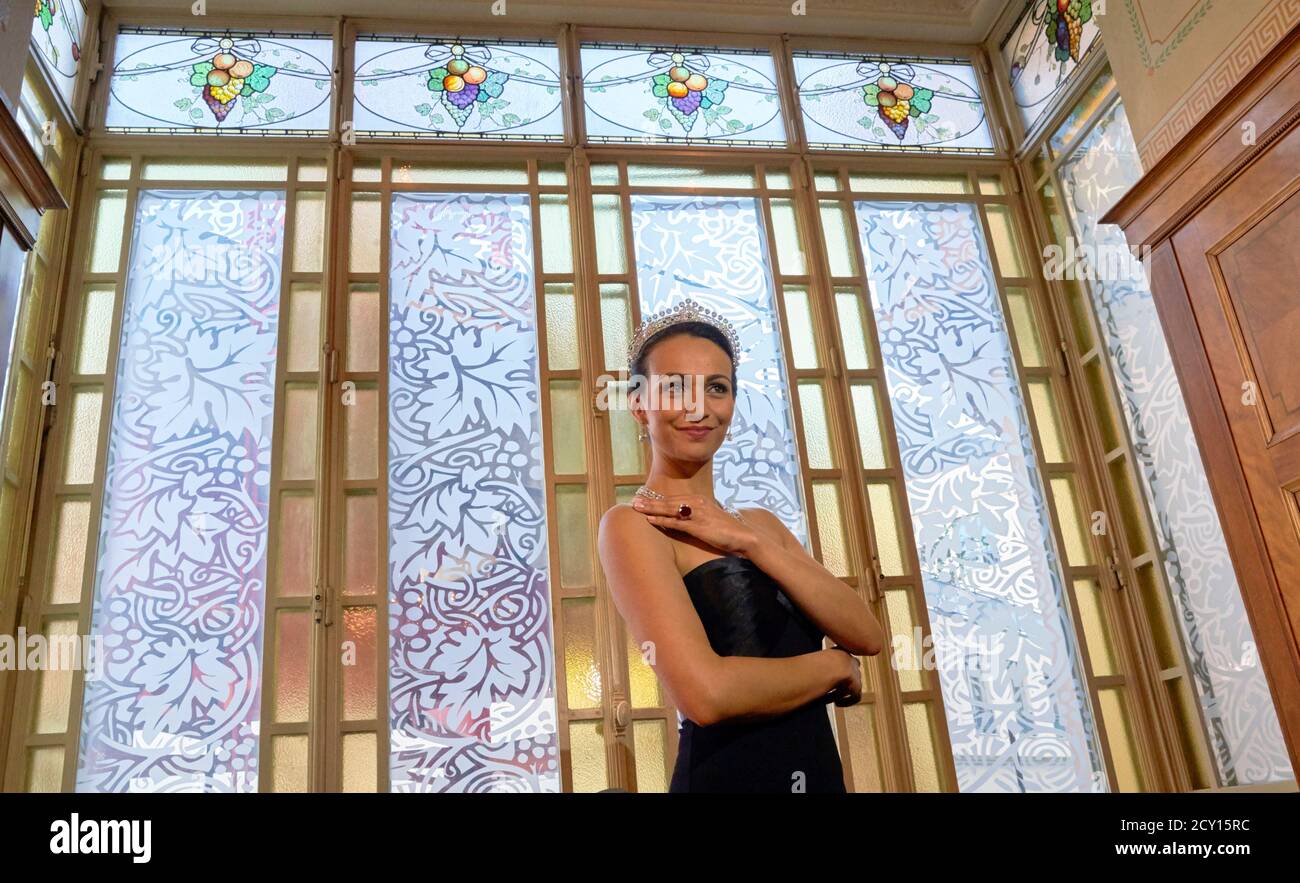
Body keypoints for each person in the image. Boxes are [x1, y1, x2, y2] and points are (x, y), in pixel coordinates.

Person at [597, 298, 885, 793]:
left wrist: (749, 543)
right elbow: (706, 695)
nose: (698, 407)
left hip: (819, 775)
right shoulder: (632, 526)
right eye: (673, 387)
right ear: (638, 404)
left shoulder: (760, 526)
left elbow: (867, 635)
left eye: (717, 388)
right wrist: (834, 666)